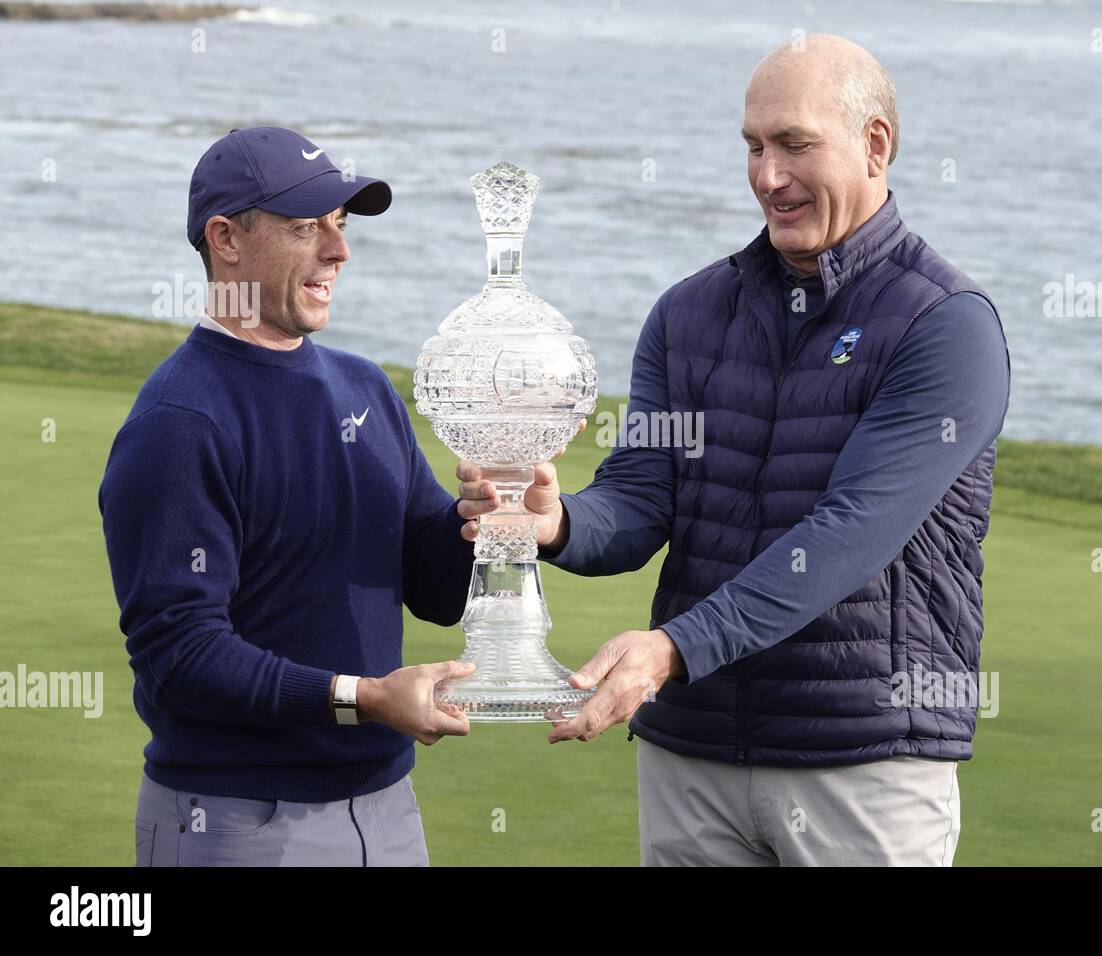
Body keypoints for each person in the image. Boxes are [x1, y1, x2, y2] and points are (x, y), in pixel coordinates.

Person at [457, 36, 1012, 866]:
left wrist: (673, 650)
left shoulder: (947, 325)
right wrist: (557, 523)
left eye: (795, 143)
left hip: (860, 760)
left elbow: (847, 535)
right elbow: (642, 499)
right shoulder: (688, 313)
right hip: (693, 751)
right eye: (753, 146)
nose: (767, 175)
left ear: (875, 144)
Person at [101, 127, 478, 866]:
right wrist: (364, 697)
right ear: (225, 240)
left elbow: (436, 588)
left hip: (390, 812)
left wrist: (486, 522)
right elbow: (180, 654)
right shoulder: (179, 421)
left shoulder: (363, 385)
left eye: (339, 226)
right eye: (306, 227)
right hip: (236, 824)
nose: (337, 252)